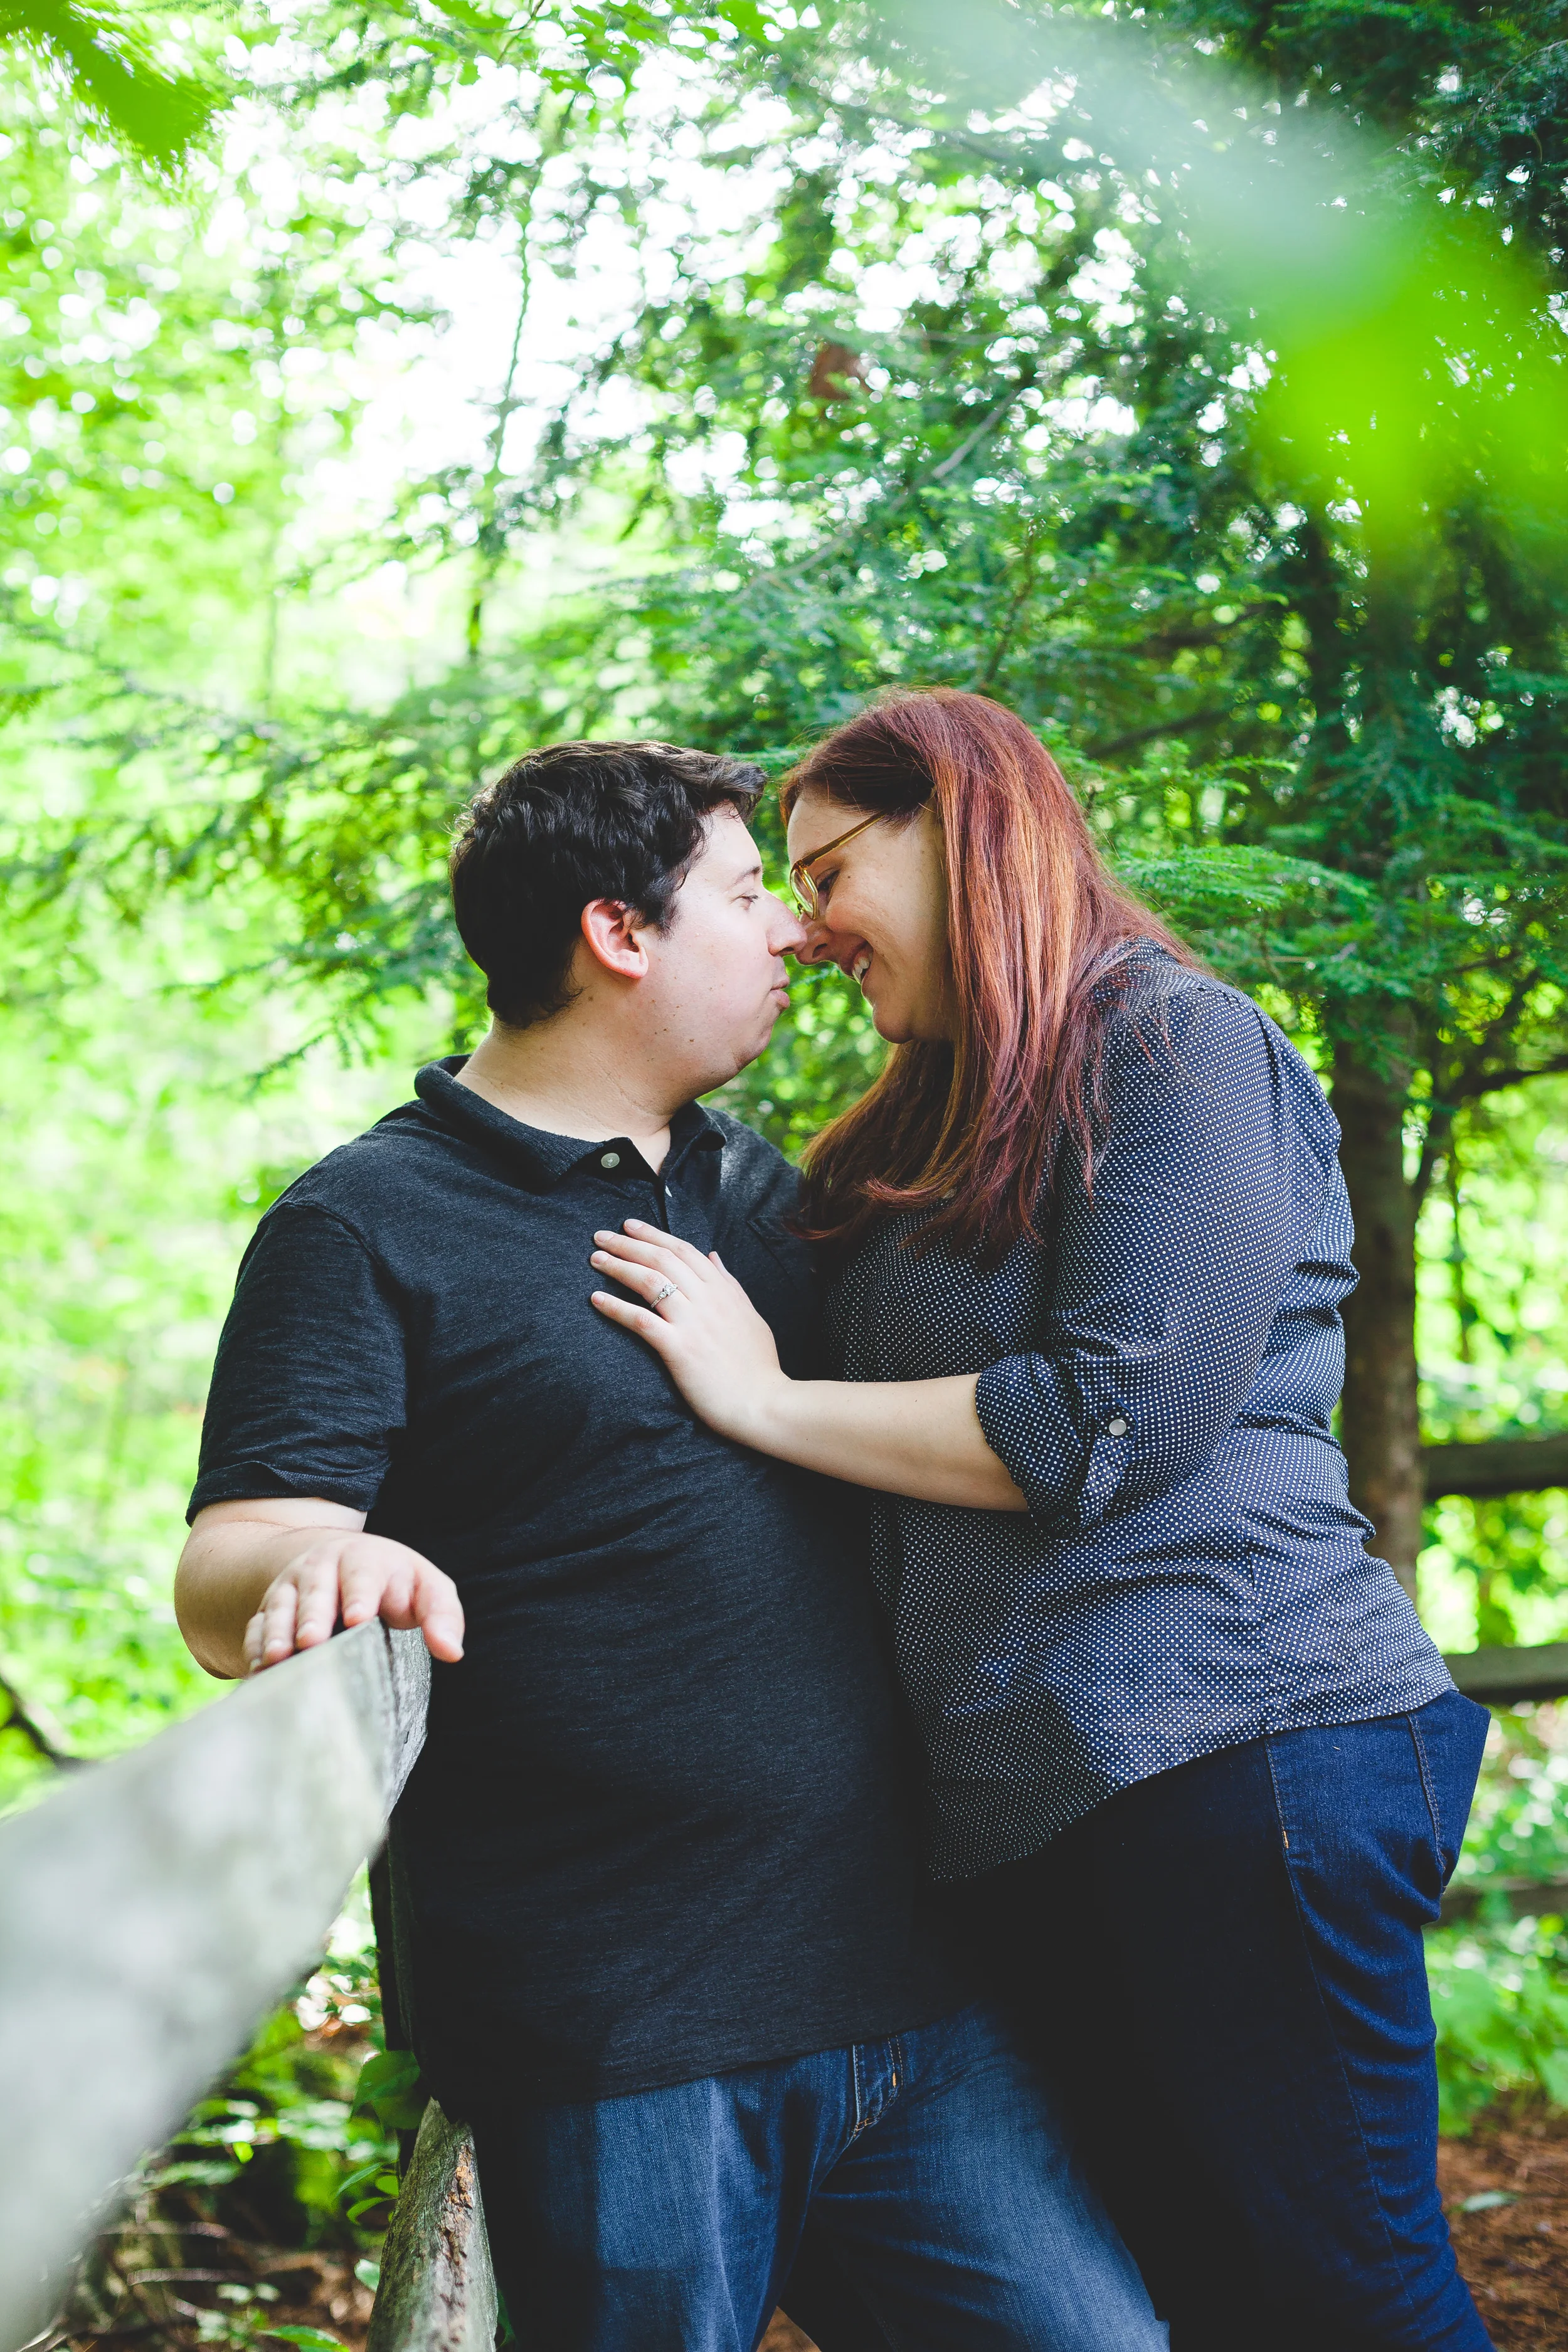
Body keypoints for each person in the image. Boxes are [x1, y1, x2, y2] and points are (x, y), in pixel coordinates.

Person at [173, 739, 1166, 2352]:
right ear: (616, 935)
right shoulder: (362, 1225)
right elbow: (236, 1555)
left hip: (918, 2006)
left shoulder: (759, 1191)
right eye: (740, 892)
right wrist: (319, 1568)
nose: (788, 930)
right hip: (618, 2036)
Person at [588, 690, 1495, 2352]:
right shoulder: (919, 1123)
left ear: (959, 825)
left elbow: (1111, 1418)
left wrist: (766, 1399)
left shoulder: (1169, 1040)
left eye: (831, 866)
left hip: (1242, 1748)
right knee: (1193, 2296)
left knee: (1338, 2295)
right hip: (1043, 1807)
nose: (802, 925)